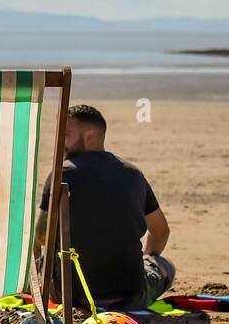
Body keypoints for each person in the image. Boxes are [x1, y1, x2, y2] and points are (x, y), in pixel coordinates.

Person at [33, 104, 173, 312]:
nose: (60, 142)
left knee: (35, 265)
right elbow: (161, 232)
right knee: (166, 266)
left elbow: (43, 236)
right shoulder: (133, 174)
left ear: (89, 136)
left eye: (66, 135)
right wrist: (147, 257)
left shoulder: (61, 174)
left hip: (69, 295)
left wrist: (39, 262)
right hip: (130, 296)